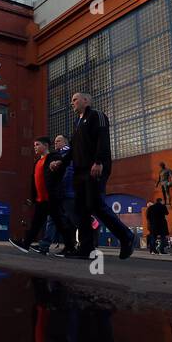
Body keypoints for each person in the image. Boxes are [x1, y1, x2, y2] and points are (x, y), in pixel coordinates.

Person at [54, 92, 134, 260]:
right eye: (72, 100)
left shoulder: (97, 115)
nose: (72, 103)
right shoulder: (77, 123)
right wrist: (62, 162)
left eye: (75, 99)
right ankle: (86, 249)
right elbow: (75, 148)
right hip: (80, 172)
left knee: (96, 205)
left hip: (95, 168)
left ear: (86, 100)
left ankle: (126, 236)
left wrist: (98, 161)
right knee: (81, 210)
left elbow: (103, 140)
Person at [11, 137, 75, 255]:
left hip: (51, 198)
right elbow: (34, 181)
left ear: (45, 146)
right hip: (41, 199)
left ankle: (70, 246)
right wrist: (33, 197)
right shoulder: (37, 162)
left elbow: (61, 169)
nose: (35, 147)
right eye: (34, 145)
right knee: (38, 223)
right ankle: (26, 244)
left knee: (59, 223)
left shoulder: (53, 157)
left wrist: (56, 165)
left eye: (37, 145)